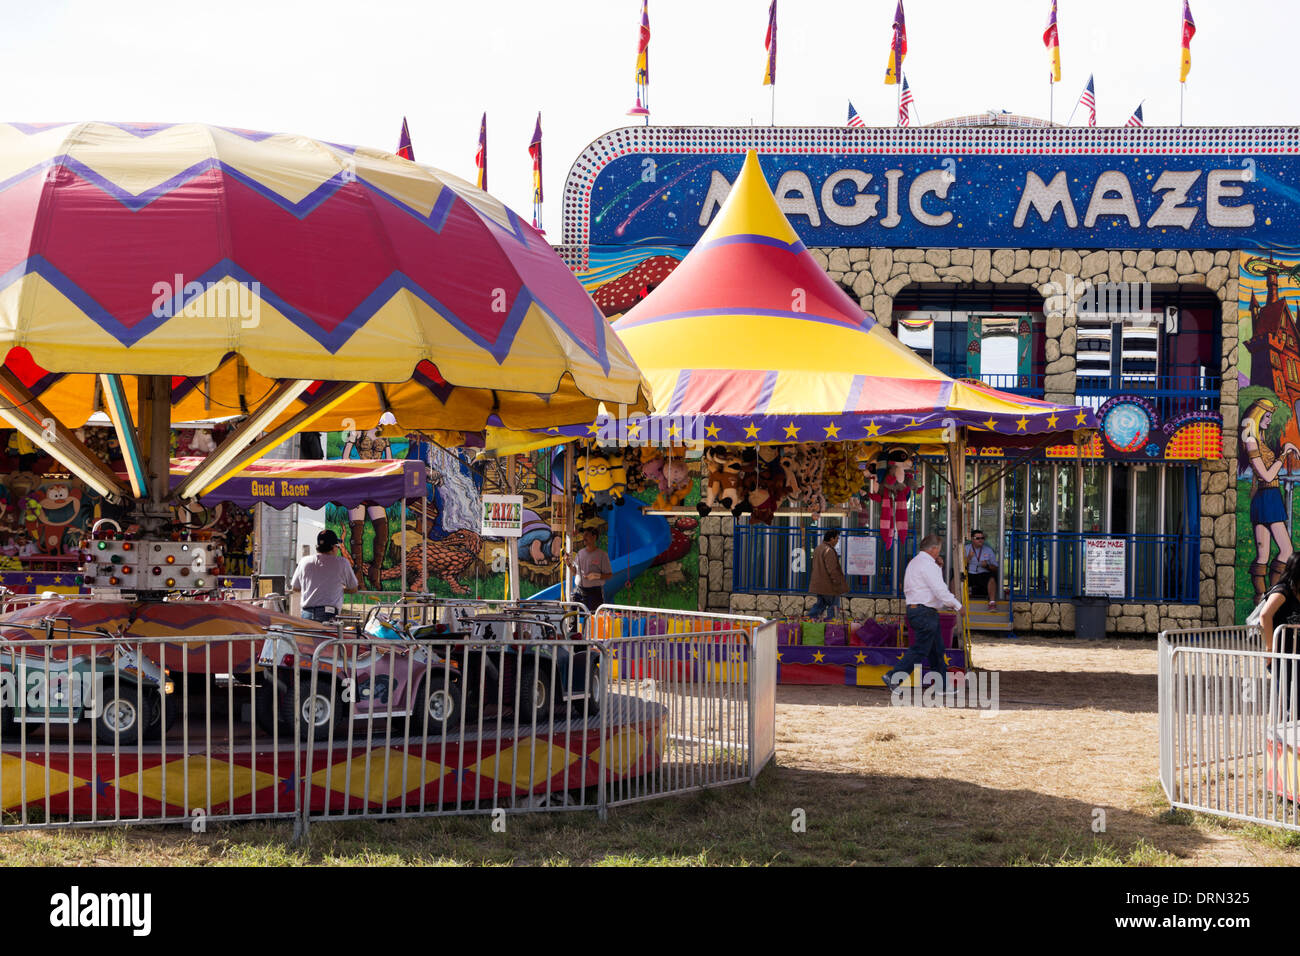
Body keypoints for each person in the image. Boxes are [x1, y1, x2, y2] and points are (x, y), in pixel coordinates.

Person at [883, 534, 963, 693]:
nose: (939, 553)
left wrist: (937, 567)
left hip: (917, 610)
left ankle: (942, 685)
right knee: (921, 649)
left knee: (936, 650)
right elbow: (939, 589)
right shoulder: (928, 565)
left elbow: (926, 585)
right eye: (938, 550)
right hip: (925, 611)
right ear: (933, 549)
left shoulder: (914, 563)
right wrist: (957, 605)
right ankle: (893, 676)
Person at [1242, 398, 1299, 602]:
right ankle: (1270, 596)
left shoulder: (1260, 440)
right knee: (1285, 550)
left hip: (1269, 496)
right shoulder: (1250, 440)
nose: (1270, 419)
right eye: (1267, 416)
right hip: (1266, 496)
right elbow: (1266, 475)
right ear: (1257, 416)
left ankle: (1265, 599)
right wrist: (1283, 454)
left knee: (1264, 555)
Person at [291, 529, 358, 623]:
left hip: (306, 614)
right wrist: (338, 588)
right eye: (337, 546)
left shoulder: (304, 561)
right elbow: (353, 588)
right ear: (333, 547)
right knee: (329, 638)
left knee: (309, 637)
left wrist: (313, 588)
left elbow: (295, 588)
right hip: (329, 614)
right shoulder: (342, 563)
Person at [566, 527, 612, 613]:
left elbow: (609, 575)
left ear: (594, 537)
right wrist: (568, 564)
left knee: (593, 619)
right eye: (583, 535)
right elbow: (575, 572)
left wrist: (596, 576)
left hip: (594, 593)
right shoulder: (580, 553)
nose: (584, 538)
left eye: (586, 535)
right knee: (573, 618)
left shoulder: (602, 555)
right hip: (579, 591)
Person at [807, 529, 847, 620]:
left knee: (820, 604)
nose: (837, 541)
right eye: (837, 538)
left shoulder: (818, 548)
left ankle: (809, 620)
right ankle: (831, 625)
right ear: (832, 539)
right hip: (828, 585)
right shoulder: (829, 551)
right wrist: (837, 583)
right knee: (834, 605)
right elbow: (832, 569)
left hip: (818, 584)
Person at [964, 529, 1000, 611]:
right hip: (969, 573)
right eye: (978, 538)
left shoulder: (988, 550)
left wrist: (987, 566)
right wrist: (968, 558)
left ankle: (992, 603)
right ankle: (953, 602)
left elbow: (995, 568)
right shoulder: (966, 548)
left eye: (982, 538)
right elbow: (958, 566)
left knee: (991, 578)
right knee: (955, 576)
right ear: (972, 539)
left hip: (983, 574)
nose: (981, 540)